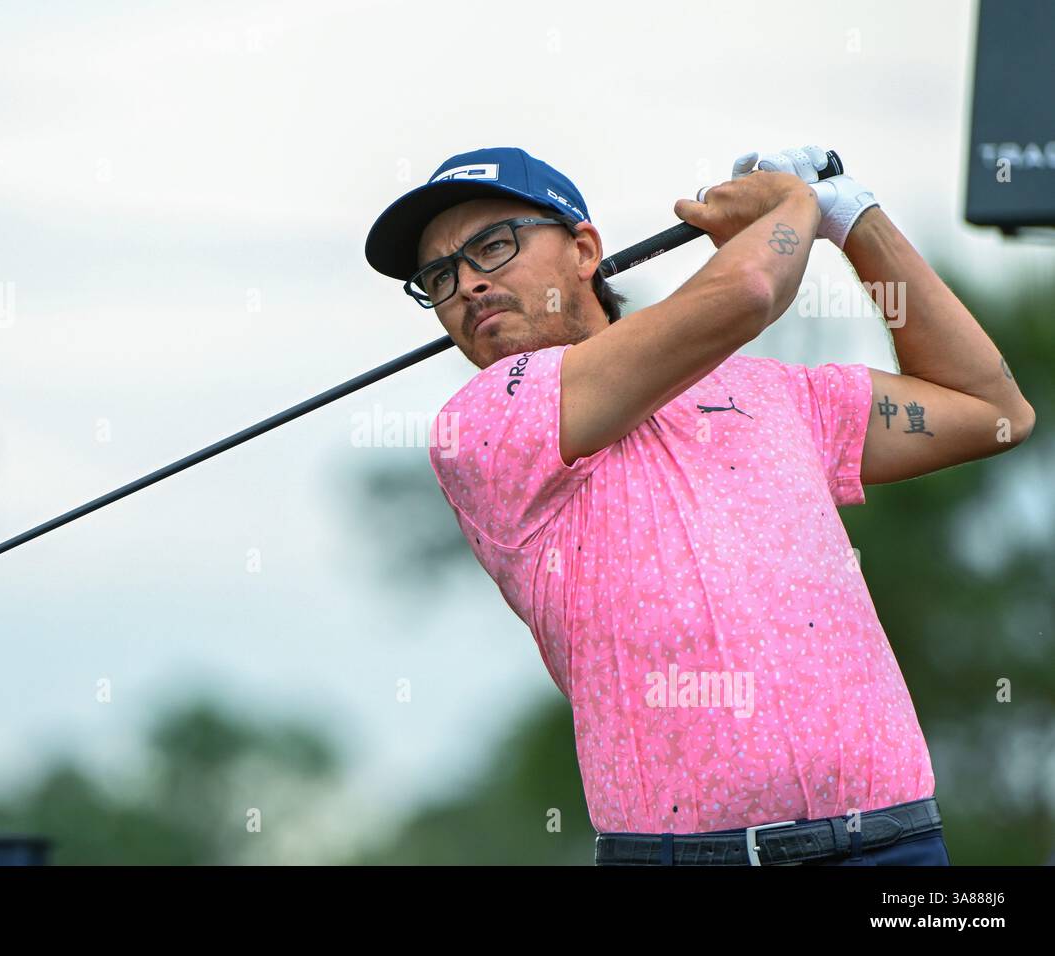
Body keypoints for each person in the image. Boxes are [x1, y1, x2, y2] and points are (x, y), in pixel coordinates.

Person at [363, 145, 1036, 866]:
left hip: (892, 840)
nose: (466, 284)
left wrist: (853, 215)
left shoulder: (775, 394)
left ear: (585, 249)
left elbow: (991, 408)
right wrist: (794, 205)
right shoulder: (483, 423)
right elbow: (749, 289)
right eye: (438, 276)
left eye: (493, 246)